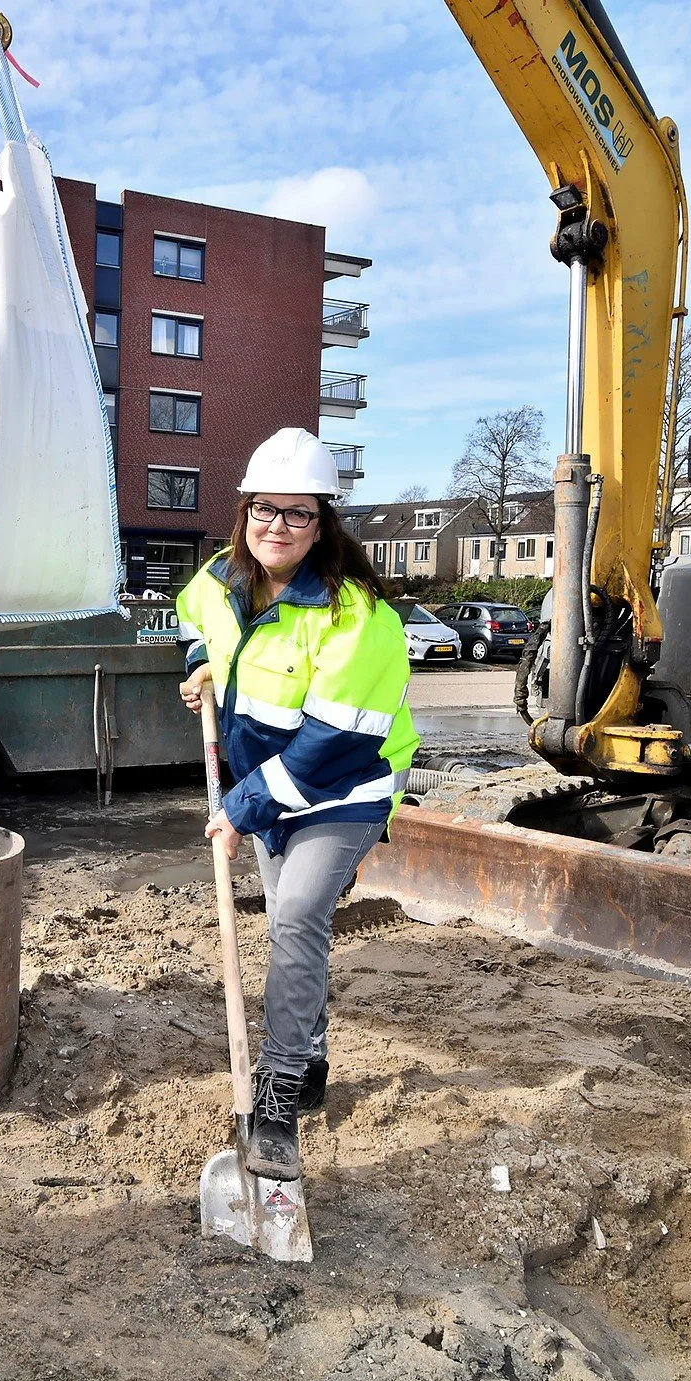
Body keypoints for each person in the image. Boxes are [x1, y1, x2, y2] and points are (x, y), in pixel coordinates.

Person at [175, 428, 418, 1182]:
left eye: (298, 513)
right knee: (288, 926)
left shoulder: (358, 617)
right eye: (264, 509)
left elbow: (330, 746)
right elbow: (193, 620)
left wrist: (242, 806)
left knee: (299, 913)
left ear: (324, 522)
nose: (277, 526)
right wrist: (199, 670)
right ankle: (309, 1053)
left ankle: (277, 1093)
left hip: (344, 788)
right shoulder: (219, 579)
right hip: (269, 791)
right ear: (244, 510)